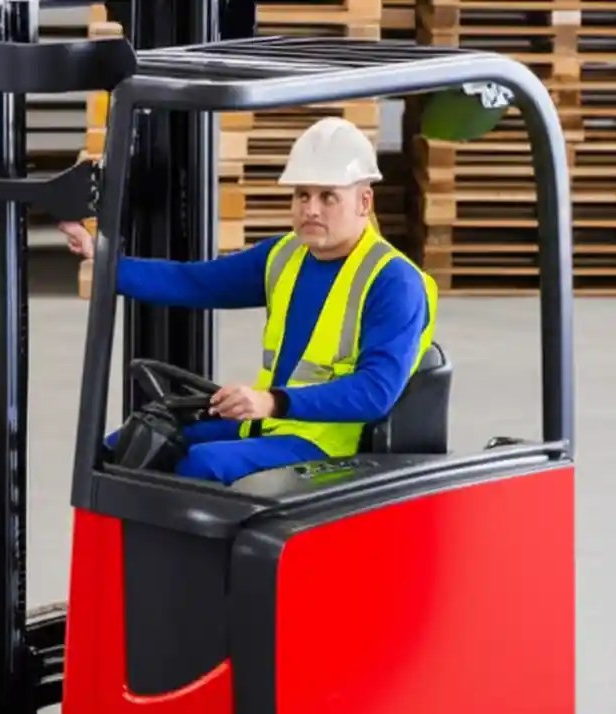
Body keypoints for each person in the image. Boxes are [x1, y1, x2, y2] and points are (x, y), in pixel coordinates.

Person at [60, 117, 438, 485]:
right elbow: (195, 281)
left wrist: (272, 402)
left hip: (329, 442)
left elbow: (376, 391)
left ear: (364, 201)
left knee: (202, 465)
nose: (311, 209)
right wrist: (104, 259)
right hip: (273, 421)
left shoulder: (393, 282)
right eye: (302, 195)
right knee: (135, 441)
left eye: (328, 197)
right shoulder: (286, 255)